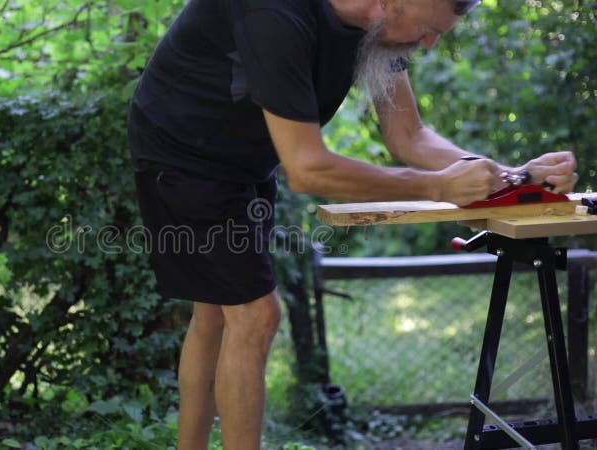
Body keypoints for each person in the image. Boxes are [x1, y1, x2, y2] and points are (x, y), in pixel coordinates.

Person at [126, 0, 579, 448]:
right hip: (182, 150)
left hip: (243, 159)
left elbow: (410, 136)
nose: (430, 43)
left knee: (216, 314)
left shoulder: (383, 28)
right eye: (427, 29)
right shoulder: (275, 15)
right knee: (256, 315)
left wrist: (513, 177)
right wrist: (434, 187)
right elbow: (308, 170)